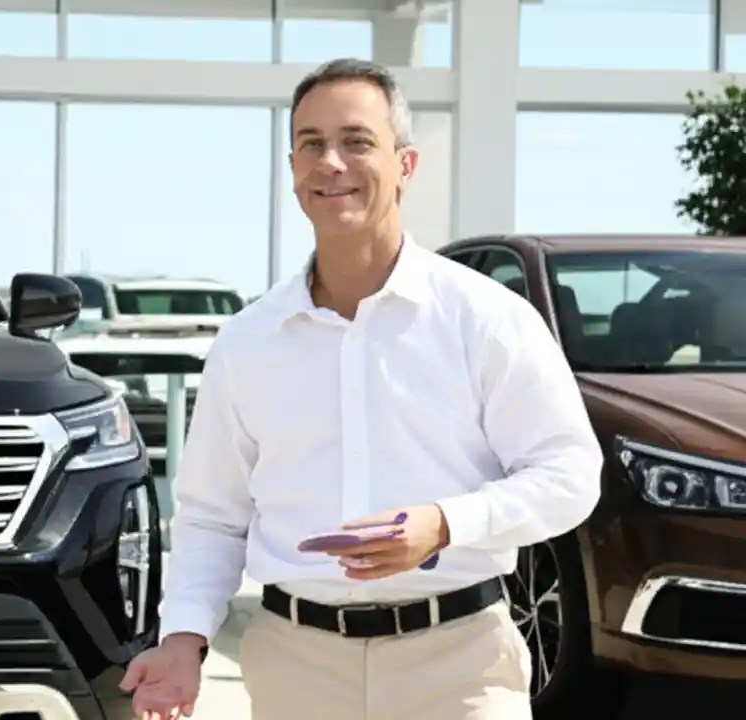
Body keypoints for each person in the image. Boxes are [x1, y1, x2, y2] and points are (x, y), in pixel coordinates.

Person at [118, 58, 603, 719]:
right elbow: (212, 517)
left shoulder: (484, 317)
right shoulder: (248, 340)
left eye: (356, 141)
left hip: (459, 665)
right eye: (311, 144)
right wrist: (183, 640)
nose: (331, 162)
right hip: (295, 667)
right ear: (292, 168)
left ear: (405, 165)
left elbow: (572, 473)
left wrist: (443, 524)